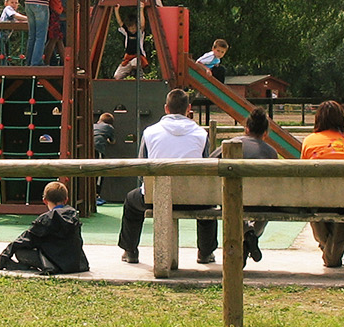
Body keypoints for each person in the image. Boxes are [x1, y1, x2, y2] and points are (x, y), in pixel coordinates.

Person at [118, 88, 216, 265]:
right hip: (194, 198)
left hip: (155, 197)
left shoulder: (150, 132)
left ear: (166, 108)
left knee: (131, 201)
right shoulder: (202, 134)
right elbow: (206, 170)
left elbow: (141, 168)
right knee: (209, 204)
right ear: (188, 108)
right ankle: (205, 252)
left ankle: (130, 250)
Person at [300, 100, 344, 267]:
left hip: (316, 199)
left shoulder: (309, 141)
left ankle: (330, 248)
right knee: (333, 255)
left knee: (331, 258)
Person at [0, 181, 90, 275]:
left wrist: (4, 256)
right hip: (77, 264)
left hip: (54, 260)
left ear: (45, 200)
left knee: (21, 253)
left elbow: (25, 239)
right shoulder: (73, 215)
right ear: (66, 200)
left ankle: (49, 266)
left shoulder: (46, 219)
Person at [231, 106, 278, 265]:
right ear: (265, 133)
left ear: (247, 129)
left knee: (231, 203)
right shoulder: (271, 153)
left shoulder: (231, 144)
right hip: (261, 202)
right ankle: (252, 236)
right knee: (267, 206)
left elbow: (210, 161)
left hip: (233, 199)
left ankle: (247, 233)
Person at [113, 6, 149, 79]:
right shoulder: (127, 32)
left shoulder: (139, 33)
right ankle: (131, 73)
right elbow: (120, 23)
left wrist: (141, 9)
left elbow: (142, 25)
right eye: (130, 29)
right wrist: (116, 10)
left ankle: (139, 74)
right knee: (117, 76)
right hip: (128, 59)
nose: (132, 30)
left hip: (138, 57)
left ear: (136, 26)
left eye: (133, 28)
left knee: (134, 63)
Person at [92, 112, 115, 207]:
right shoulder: (109, 128)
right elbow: (112, 141)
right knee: (99, 172)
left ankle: (91, 194)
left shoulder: (93, 126)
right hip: (98, 148)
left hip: (89, 148)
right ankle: (96, 195)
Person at [23, 0, 51, 66]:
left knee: (32, 35)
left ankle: (29, 61)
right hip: (40, 2)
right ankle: (36, 62)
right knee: (40, 36)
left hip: (28, 1)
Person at [0, 0, 22, 64]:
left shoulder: (11, 12)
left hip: (4, 38)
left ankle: (4, 66)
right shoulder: (8, 9)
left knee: (5, 54)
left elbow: (18, 20)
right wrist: (29, 19)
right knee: (2, 55)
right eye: (12, 2)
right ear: (6, 3)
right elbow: (15, 15)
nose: (14, 4)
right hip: (0, 37)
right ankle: (3, 67)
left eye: (16, 3)